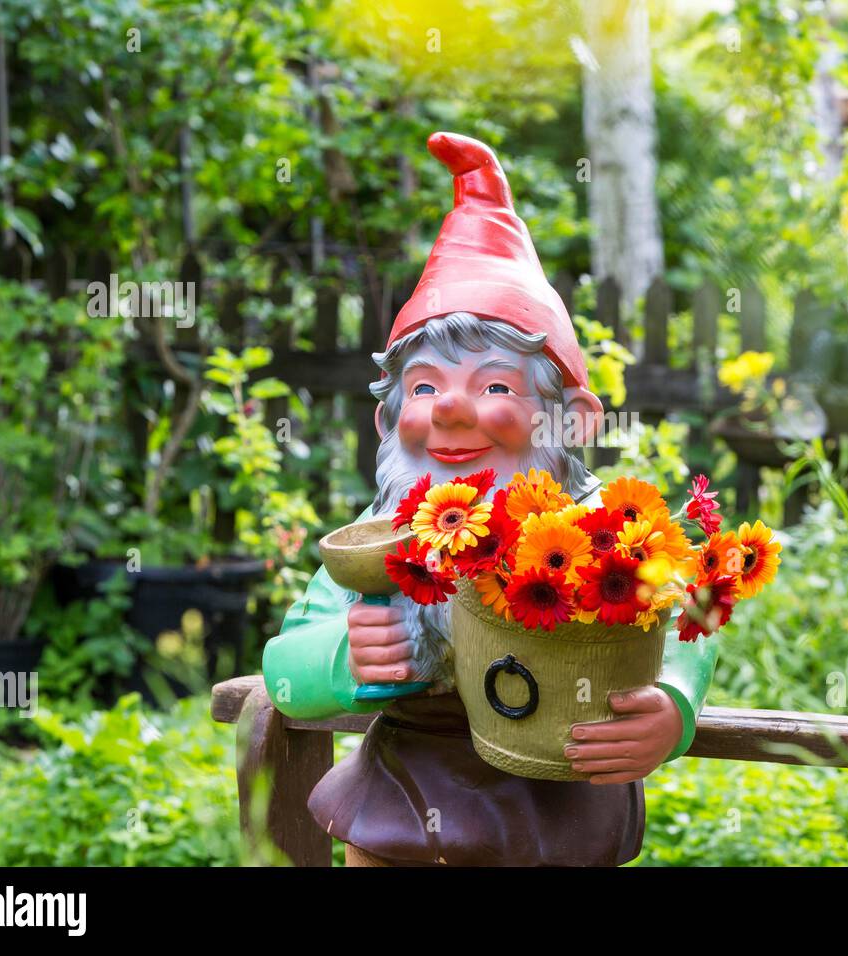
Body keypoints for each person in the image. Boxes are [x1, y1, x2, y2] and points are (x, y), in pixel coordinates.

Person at [262, 132, 716, 866]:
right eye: (424, 387)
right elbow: (283, 668)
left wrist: (672, 707)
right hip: (403, 800)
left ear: (572, 420)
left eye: (496, 385)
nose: (449, 411)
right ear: (387, 420)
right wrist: (345, 656)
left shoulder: (607, 529)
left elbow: (691, 620)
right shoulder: (378, 545)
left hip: (562, 801)